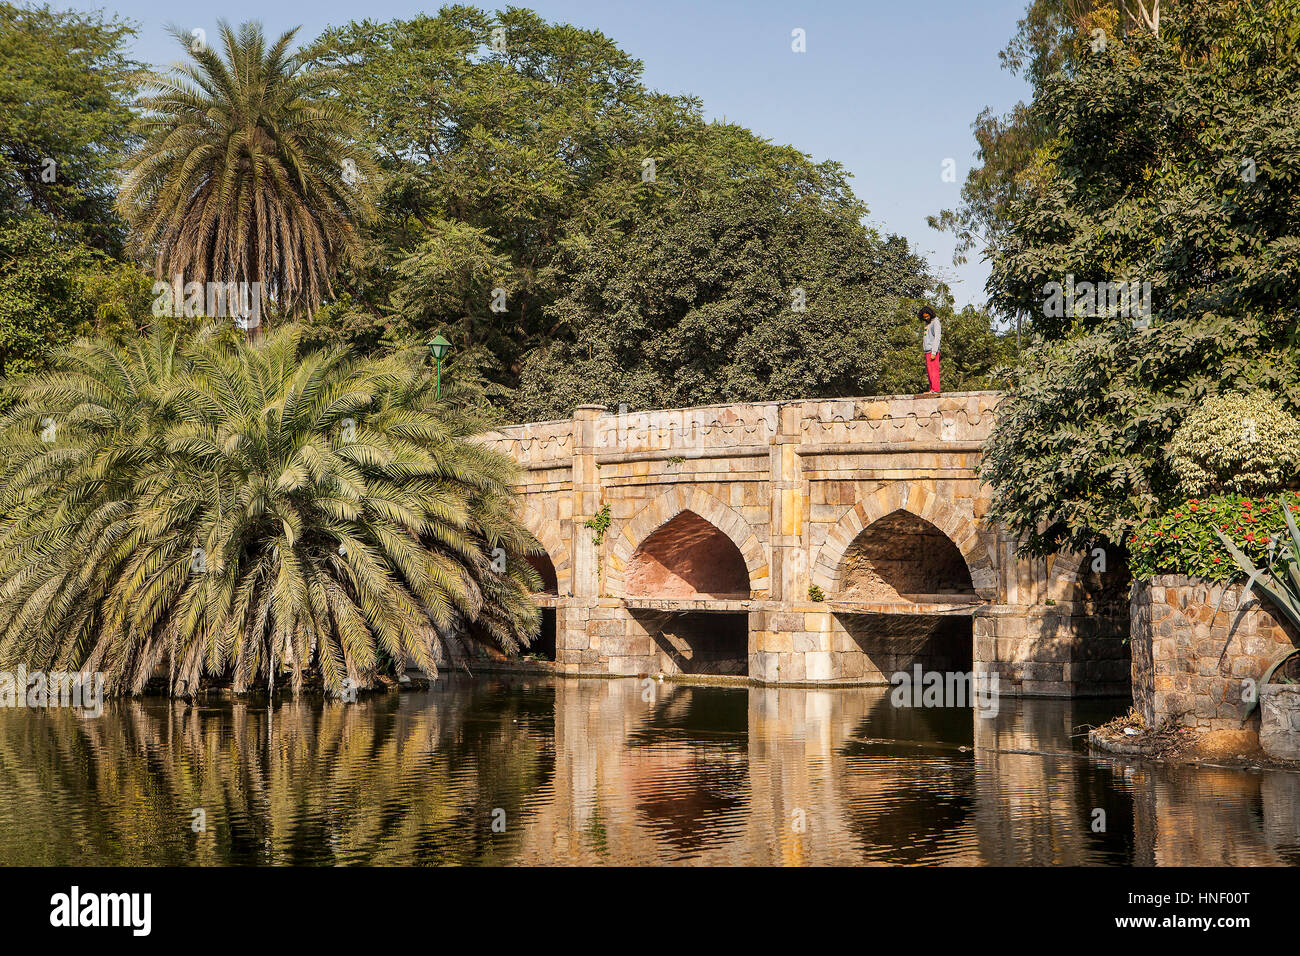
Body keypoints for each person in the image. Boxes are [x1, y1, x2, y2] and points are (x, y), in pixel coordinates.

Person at [919, 306, 941, 394]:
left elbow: (937, 337)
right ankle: (931, 389)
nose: (926, 318)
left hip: (932, 350)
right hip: (927, 350)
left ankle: (935, 389)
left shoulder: (935, 322)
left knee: (934, 370)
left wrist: (934, 351)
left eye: (927, 316)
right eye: (924, 317)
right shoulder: (927, 324)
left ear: (930, 314)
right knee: (929, 371)